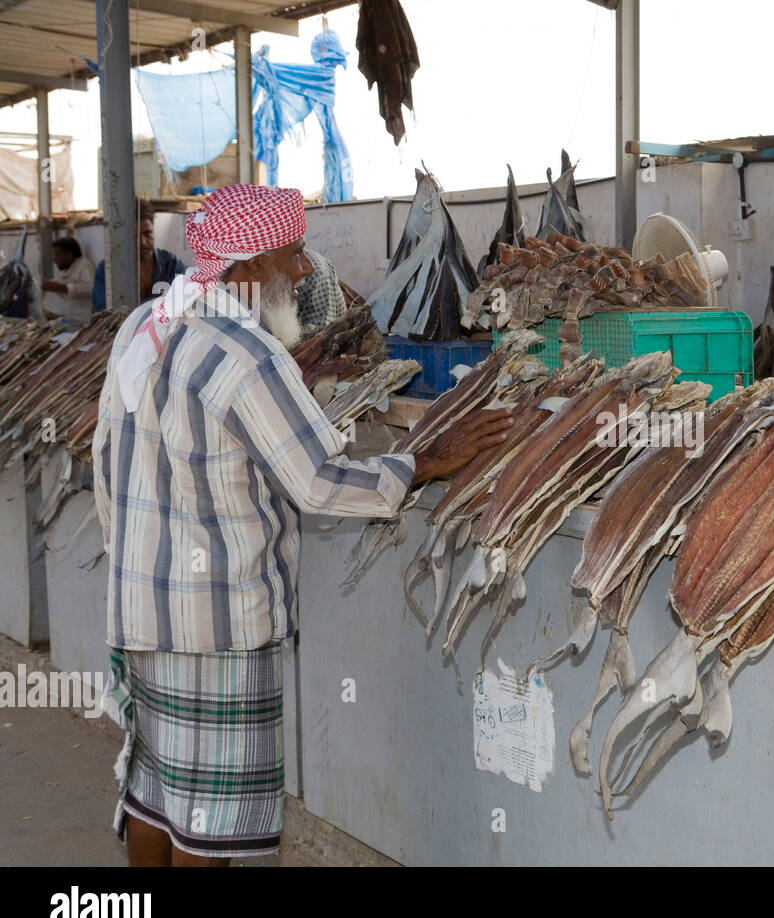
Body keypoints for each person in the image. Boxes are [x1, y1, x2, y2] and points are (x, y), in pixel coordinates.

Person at [91, 184, 513, 866]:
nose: (306, 271)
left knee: (155, 793)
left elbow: (105, 454)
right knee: (208, 822)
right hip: (217, 630)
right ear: (253, 267)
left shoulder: (148, 325)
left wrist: (127, 561)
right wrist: (424, 463)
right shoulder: (243, 353)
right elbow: (318, 482)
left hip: (143, 612)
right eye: (293, 256)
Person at [91, 198, 185, 311]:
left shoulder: (171, 264)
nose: (142, 242)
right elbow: (105, 314)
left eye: (147, 233)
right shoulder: (108, 269)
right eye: (134, 235)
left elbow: (188, 305)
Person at [41, 237, 95, 328]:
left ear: (69, 254)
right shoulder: (68, 268)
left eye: (57, 255)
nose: (54, 260)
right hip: (58, 320)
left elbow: (90, 288)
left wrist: (58, 287)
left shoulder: (84, 265)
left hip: (76, 323)